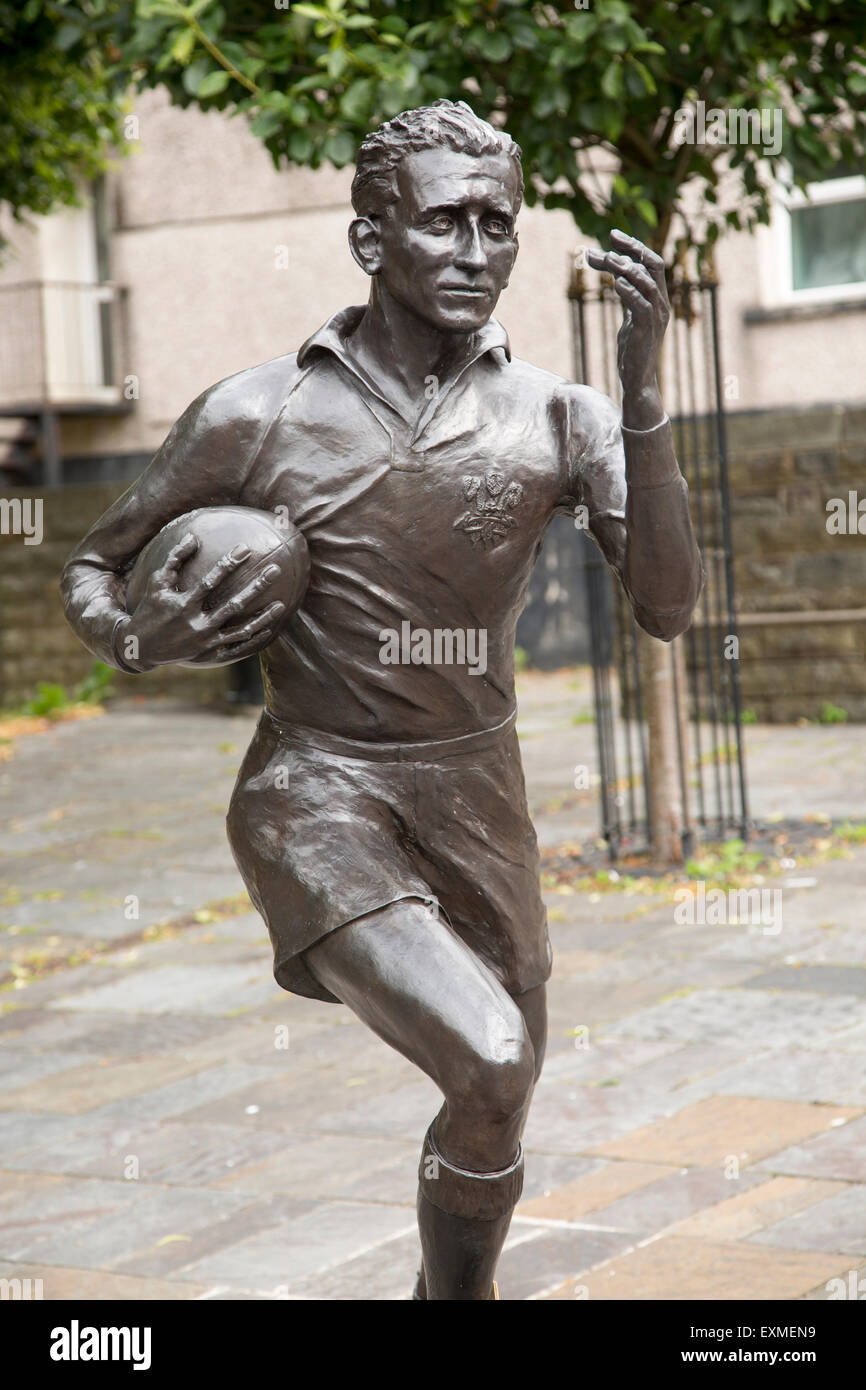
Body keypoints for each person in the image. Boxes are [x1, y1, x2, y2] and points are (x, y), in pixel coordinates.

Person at [61, 99, 703, 1300]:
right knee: (493, 1062)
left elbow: (665, 607)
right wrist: (137, 640)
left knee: (497, 1112)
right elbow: (91, 567)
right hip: (318, 792)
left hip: (478, 790)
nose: (475, 254)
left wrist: (641, 397)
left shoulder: (559, 416)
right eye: (444, 224)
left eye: (498, 227)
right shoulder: (259, 413)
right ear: (370, 240)